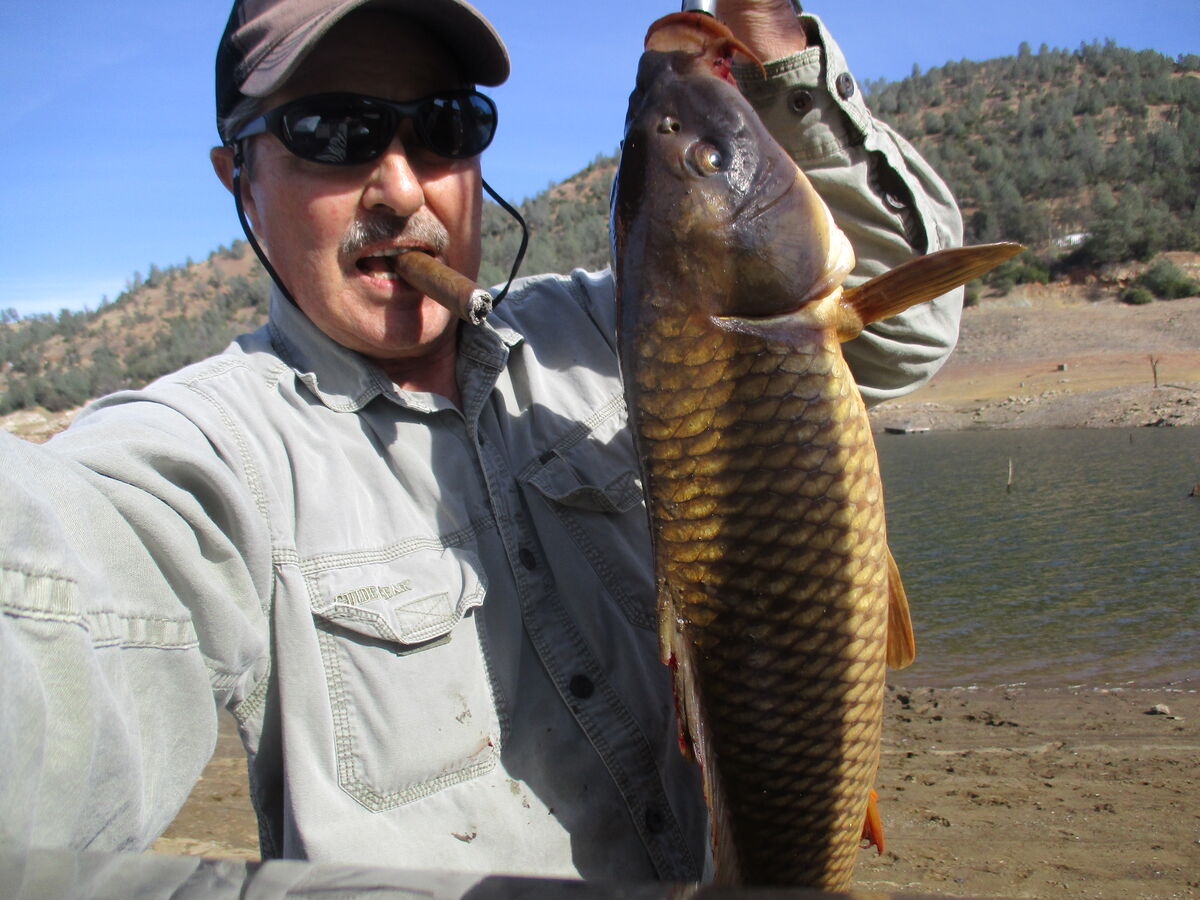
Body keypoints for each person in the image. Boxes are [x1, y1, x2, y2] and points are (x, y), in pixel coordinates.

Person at [0, 0, 963, 881]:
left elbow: (907, 326)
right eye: (331, 132)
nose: (399, 185)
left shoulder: (628, 328)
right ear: (239, 179)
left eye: (445, 126)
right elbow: (65, 604)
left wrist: (768, 42)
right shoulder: (207, 451)